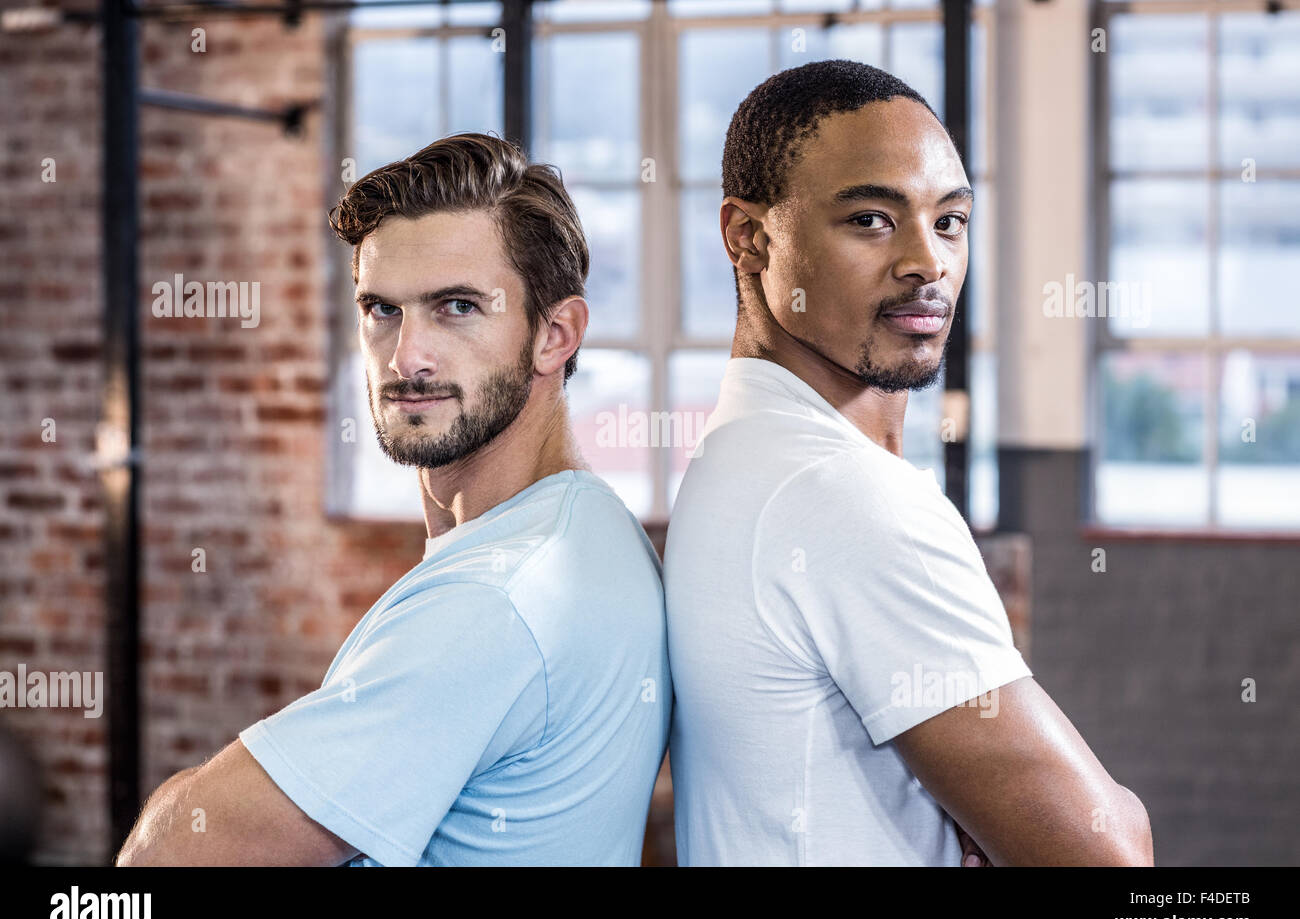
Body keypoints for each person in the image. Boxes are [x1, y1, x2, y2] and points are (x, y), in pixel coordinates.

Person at [117, 133, 670, 866]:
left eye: (458, 307)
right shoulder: (589, 524)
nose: (407, 357)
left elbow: (165, 862)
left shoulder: (493, 601)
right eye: (382, 310)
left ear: (555, 334)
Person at [664, 60, 1152, 866]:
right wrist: (1107, 810)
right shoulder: (841, 495)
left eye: (951, 221)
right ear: (749, 238)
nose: (928, 262)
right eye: (870, 220)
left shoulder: (743, 450)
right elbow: (1110, 854)